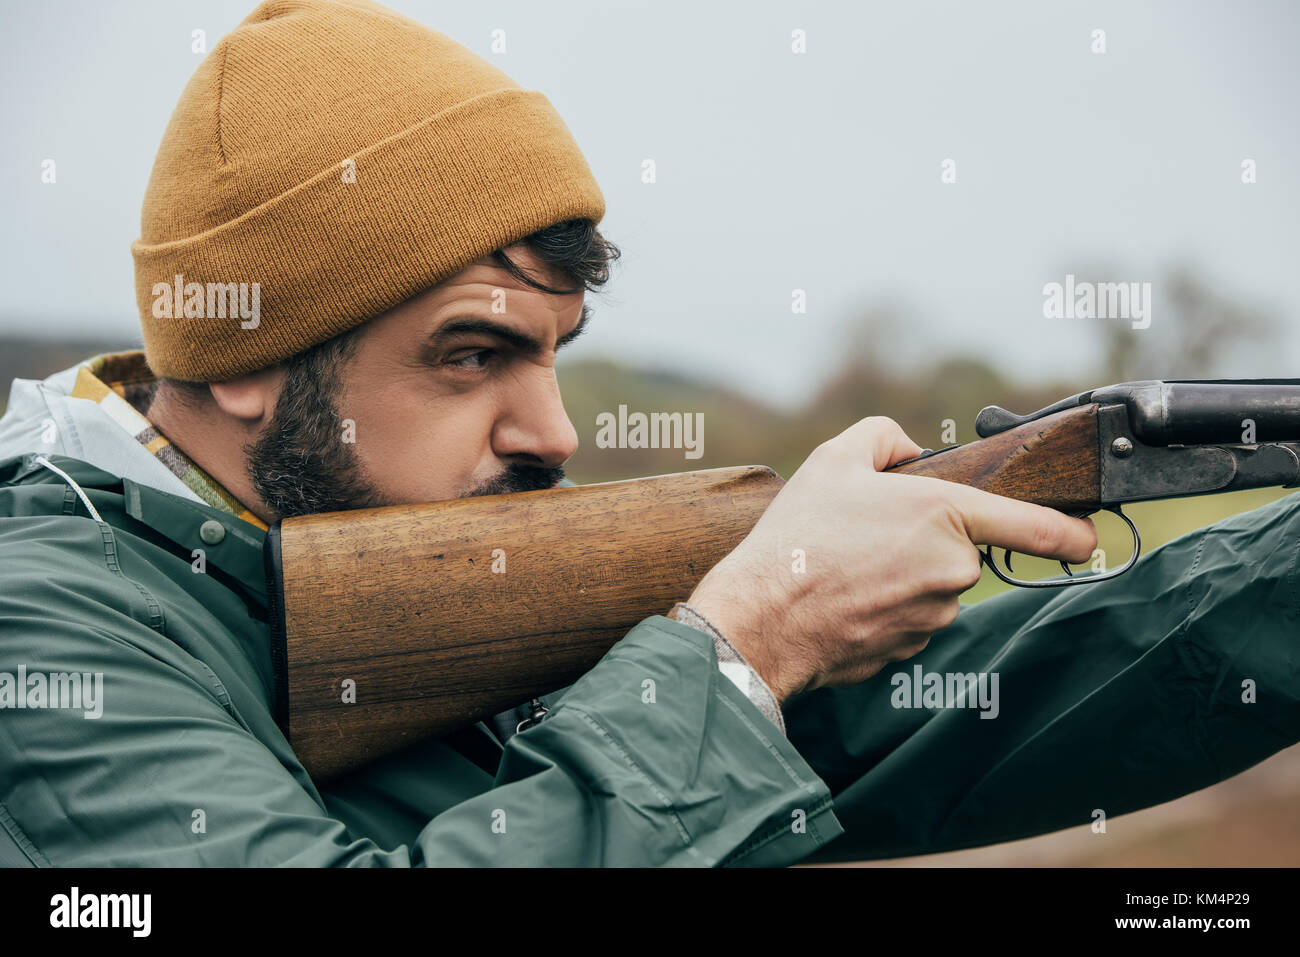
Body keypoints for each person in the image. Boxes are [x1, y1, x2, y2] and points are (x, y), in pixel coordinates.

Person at [0, 0, 1295, 867]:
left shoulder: (424, 574)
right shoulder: (43, 622)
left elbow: (985, 705)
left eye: (553, 352)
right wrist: (741, 647)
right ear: (242, 359)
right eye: (473, 353)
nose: (554, 430)